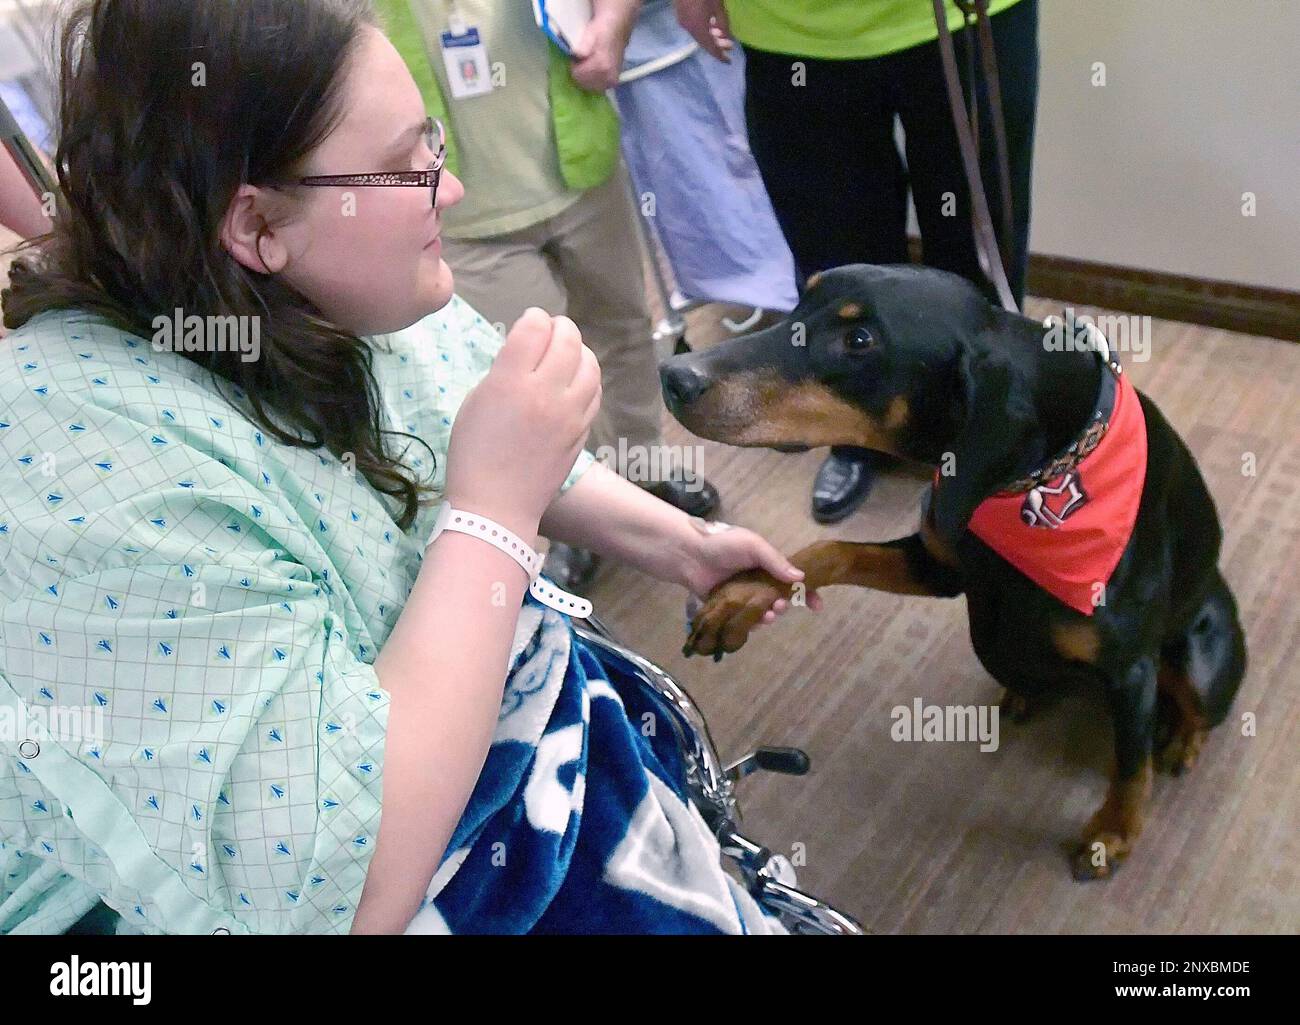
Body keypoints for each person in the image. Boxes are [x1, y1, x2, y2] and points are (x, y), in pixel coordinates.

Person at [0, 0, 818, 935]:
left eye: (429, 140)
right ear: (257, 222)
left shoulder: (323, 287)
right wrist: (493, 512)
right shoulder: (83, 473)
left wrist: (683, 542)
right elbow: (344, 888)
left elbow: (459, 410)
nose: (452, 188)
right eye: (406, 163)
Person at [380, 0, 720, 593]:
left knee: (622, 330)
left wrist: (613, 27)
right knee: (540, 372)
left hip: (579, 173)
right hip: (464, 218)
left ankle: (642, 465)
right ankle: (573, 523)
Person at [675, 0, 1039, 523]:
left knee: (978, 274)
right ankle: (855, 442)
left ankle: (993, 454)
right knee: (834, 273)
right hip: (793, 31)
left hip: (959, 16)